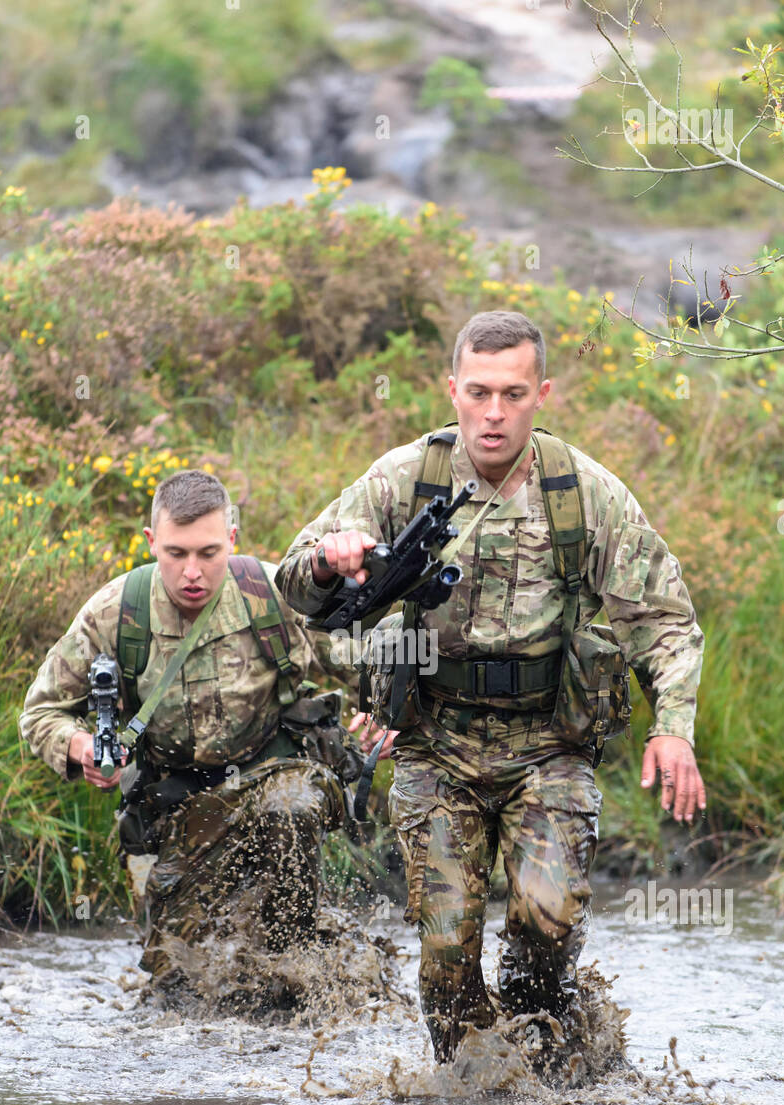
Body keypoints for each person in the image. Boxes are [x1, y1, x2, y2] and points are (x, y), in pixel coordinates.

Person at [275, 310, 706, 1062]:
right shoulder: (406, 477)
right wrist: (326, 559)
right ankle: (468, 1091)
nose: (494, 413)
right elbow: (296, 587)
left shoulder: (584, 494)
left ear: (543, 393)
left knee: (547, 920)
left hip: (549, 743)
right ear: (452, 390)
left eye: (513, 394)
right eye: (478, 392)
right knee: (445, 946)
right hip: (434, 741)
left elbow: (663, 620)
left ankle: (545, 1050)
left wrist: (672, 726)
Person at [19, 469, 360, 995]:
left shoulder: (271, 595)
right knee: (178, 988)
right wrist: (80, 747)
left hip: (273, 776)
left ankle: (298, 964)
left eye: (208, 552)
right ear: (152, 541)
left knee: (289, 810)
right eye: (176, 553)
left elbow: (359, 660)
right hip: (179, 810)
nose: (192, 572)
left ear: (232, 540)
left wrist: (381, 712)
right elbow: (40, 712)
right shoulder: (117, 612)